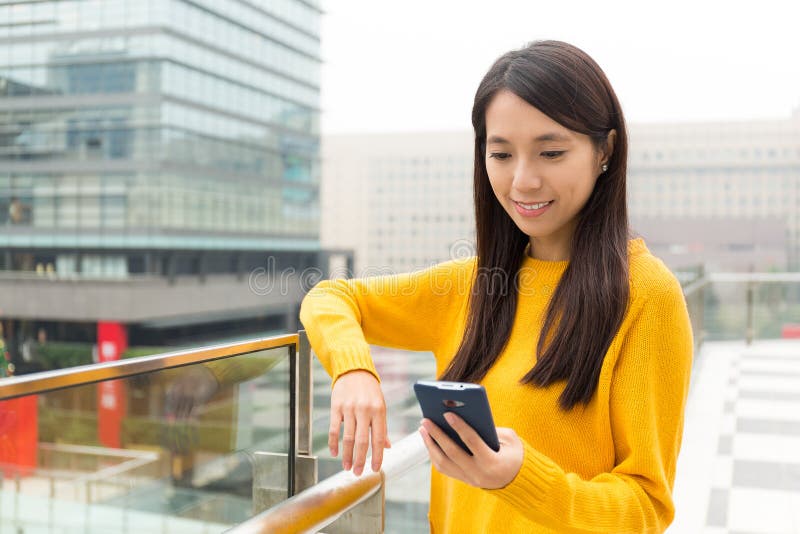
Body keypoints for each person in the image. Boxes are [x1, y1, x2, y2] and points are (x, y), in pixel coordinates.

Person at [299, 40, 693, 533]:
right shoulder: (478, 283)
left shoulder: (647, 295)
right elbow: (329, 297)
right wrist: (354, 373)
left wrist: (520, 478)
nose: (523, 180)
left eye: (551, 152)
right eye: (501, 154)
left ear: (605, 151)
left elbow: (646, 509)